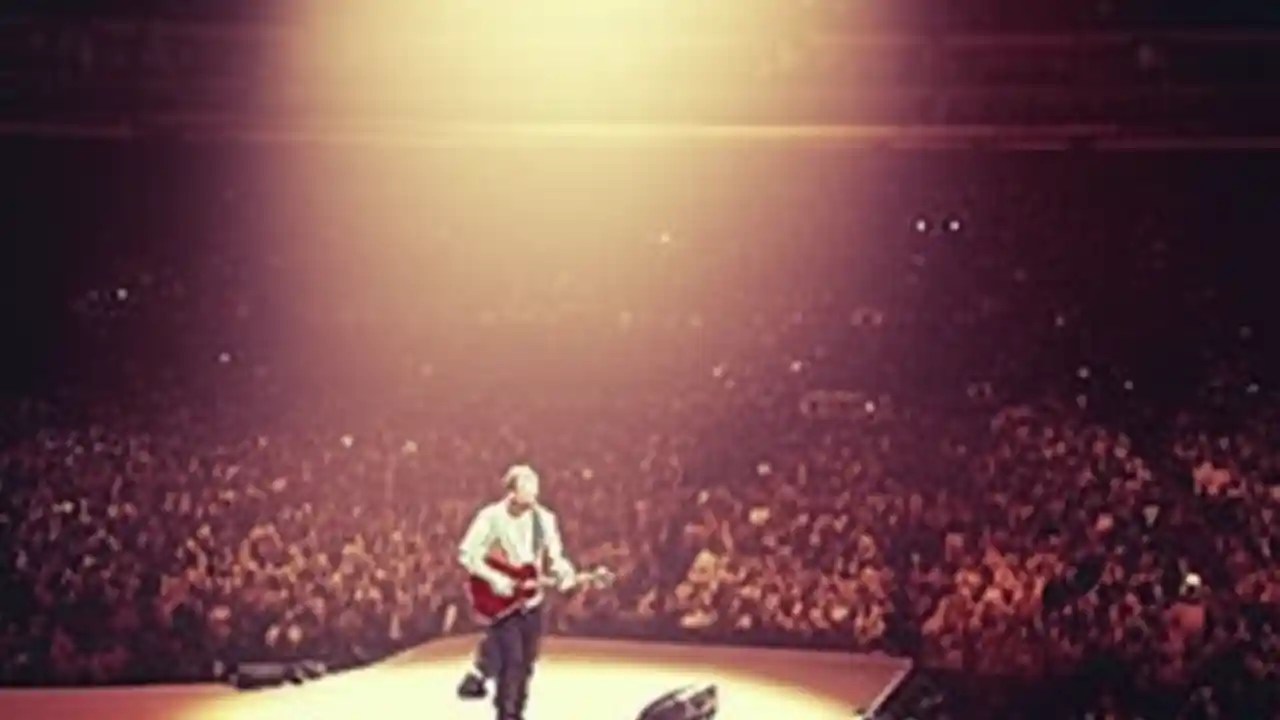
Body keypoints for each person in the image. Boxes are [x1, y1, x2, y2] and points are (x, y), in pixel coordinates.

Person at [456, 464, 577, 720]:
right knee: (512, 660)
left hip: (531, 599)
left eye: (535, 488)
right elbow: (467, 553)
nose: (533, 494)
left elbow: (556, 557)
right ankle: (505, 713)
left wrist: (565, 572)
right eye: (527, 489)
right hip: (502, 600)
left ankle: (515, 709)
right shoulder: (490, 517)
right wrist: (494, 578)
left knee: (526, 664)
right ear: (511, 492)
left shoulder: (544, 519)